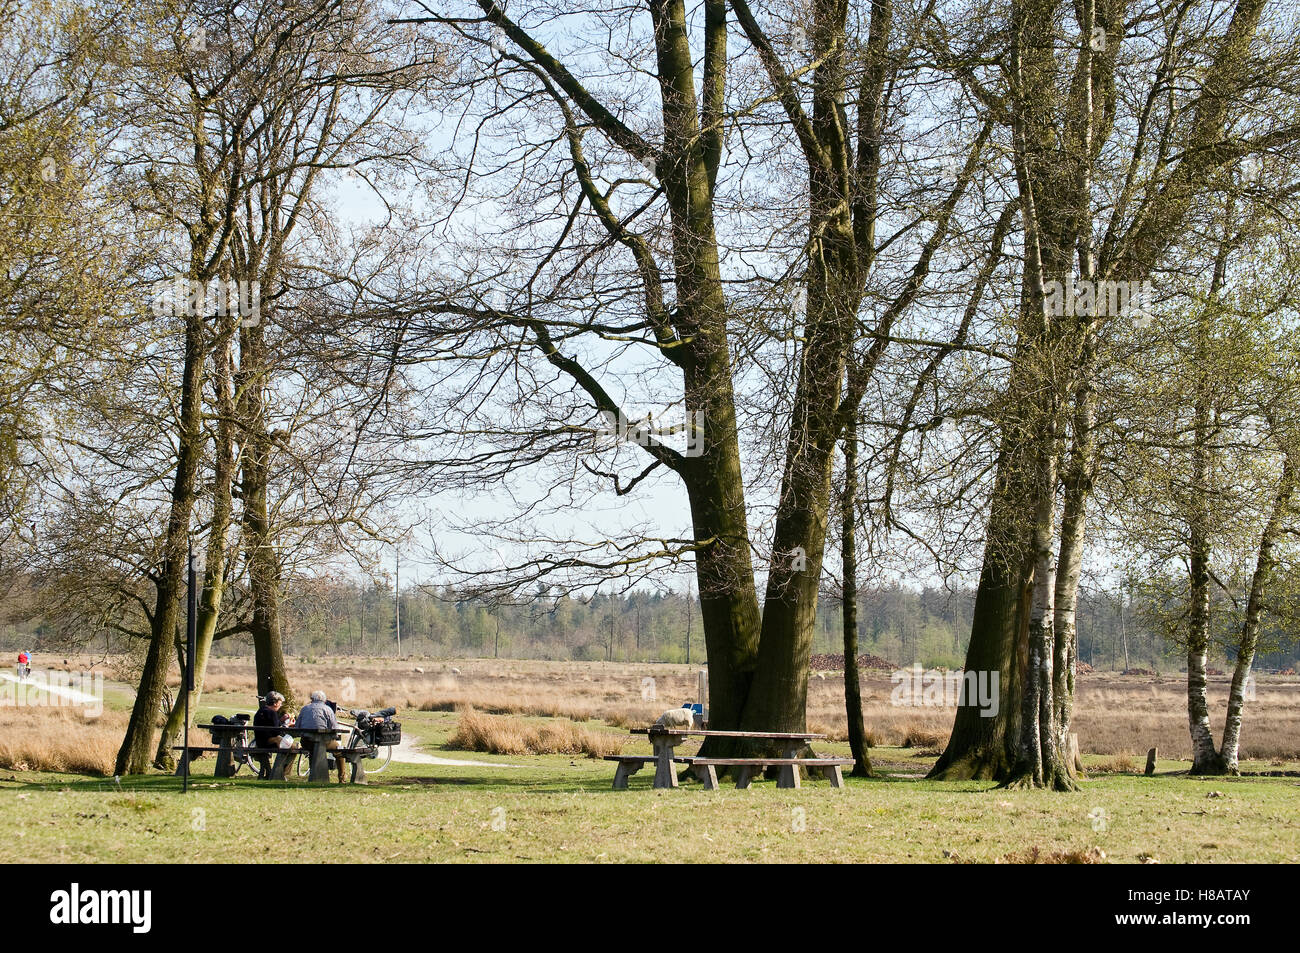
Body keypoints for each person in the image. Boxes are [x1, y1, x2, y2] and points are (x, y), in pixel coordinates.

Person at [296, 690, 345, 782]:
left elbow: (297, 727)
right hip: (324, 741)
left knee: (312, 752)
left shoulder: (304, 709)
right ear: (324, 700)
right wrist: (333, 737)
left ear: (312, 699)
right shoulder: (327, 709)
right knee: (339, 752)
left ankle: (313, 775)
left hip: (307, 742)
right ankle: (342, 778)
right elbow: (334, 728)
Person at [252, 691, 292, 779]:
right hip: (269, 742)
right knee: (294, 747)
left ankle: (273, 773)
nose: (280, 705)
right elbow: (277, 732)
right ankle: (280, 772)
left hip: (260, 741)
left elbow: (273, 726)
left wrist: (281, 720)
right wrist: (287, 725)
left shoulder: (261, 711)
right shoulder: (272, 713)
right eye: (280, 703)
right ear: (275, 703)